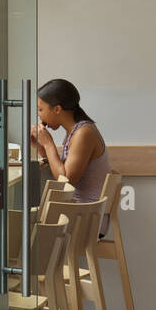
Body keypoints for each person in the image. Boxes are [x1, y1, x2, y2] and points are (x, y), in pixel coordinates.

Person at [31, 78, 112, 233]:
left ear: (57, 109)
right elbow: (62, 170)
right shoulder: (75, 131)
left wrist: (49, 144)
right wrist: (41, 147)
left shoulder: (83, 133)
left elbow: (66, 180)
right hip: (81, 211)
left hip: (88, 218)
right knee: (30, 221)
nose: (39, 115)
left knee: (28, 226)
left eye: (40, 110)